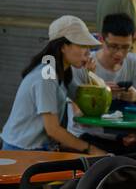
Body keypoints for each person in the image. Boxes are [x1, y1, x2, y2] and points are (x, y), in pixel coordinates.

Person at [1, 16, 106, 155]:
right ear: (63, 46)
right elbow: (53, 130)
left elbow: (88, 103)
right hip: (21, 150)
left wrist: (90, 75)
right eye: (82, 45)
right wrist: (91, 149)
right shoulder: (46, 75)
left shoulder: (63, 72)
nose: (87, 52)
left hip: (39, 150)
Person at [68, 13, 136, 155]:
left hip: (122, 137)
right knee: (109, 167)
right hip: (88, 137)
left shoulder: (135, 63)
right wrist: (97, 91)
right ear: (101, 39)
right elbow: (79, 117)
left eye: (126, 47)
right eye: (113, 46)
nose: (119, 54)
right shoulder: (83, 65)